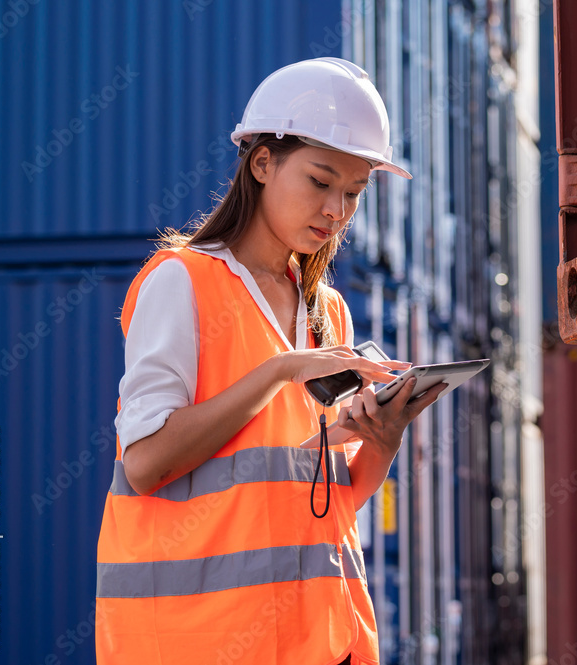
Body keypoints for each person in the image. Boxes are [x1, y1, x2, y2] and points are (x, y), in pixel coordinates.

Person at [95, 57, 442, 665]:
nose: (337, 209)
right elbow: (145, 462)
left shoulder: (325, 312)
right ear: (262, 163)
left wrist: (383, 437)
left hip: (320, 640)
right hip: (196, 643)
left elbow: (324, 500)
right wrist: (280, 370)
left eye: (354, 192)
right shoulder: (183, 282)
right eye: (320, 181)